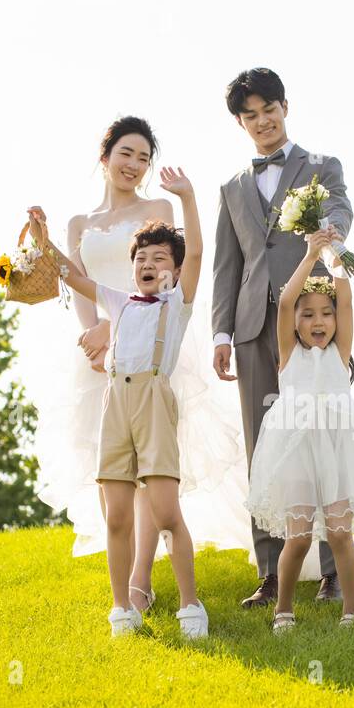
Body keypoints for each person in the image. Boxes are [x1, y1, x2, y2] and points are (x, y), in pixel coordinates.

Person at [32, 115, 249, 611]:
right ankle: (122, 585)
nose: (134, 165)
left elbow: (176, 268)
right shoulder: (81, 223)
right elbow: (78, 277)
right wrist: (93, 331)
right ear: (104, 156)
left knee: (153, 471)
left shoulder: (157, 209)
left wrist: (118, 322)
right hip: (103, 350)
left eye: (144, 158)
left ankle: (141, 576)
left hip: (149, 338)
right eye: (126, 154)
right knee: (109, 471)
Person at [26, 191, 209, 641]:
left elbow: (199, 250)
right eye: (141, 257)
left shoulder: (176, 303)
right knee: (118, 517)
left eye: (160, 257)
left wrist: (186, 197)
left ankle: (191, 606)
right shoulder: (119, 302)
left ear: (176, 269)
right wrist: (43, 240)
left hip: (153, 401)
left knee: (166, 512)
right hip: (115, 405)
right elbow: (71, 275)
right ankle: (122, 609)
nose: (148, 264)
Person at [213, 67, 354, 609]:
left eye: (268, 110)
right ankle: (271, 574)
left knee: (324, 439)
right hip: (255, 329)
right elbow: (226, 267)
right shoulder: (231, 187)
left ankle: (330, 572)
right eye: (250, 116)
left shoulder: (322, 166)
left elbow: (340, 208)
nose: (262, 122)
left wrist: (333, 237)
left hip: (314, 324)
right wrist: (220, 332)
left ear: (284, 106)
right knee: (266, 448)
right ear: (240, 122)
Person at [245, 228, 354, 633]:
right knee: (299, 538)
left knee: (341, 534)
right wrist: (310, 254)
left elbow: (345, 295)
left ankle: (351, 611)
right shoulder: (289, 354)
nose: (318, 321)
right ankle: (284, 610)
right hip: (295, 452)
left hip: (335, 449)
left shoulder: (339, 354)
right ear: (294, 322)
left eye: (325, 314)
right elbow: (286, 299)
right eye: (308, 315)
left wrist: (332, 250)